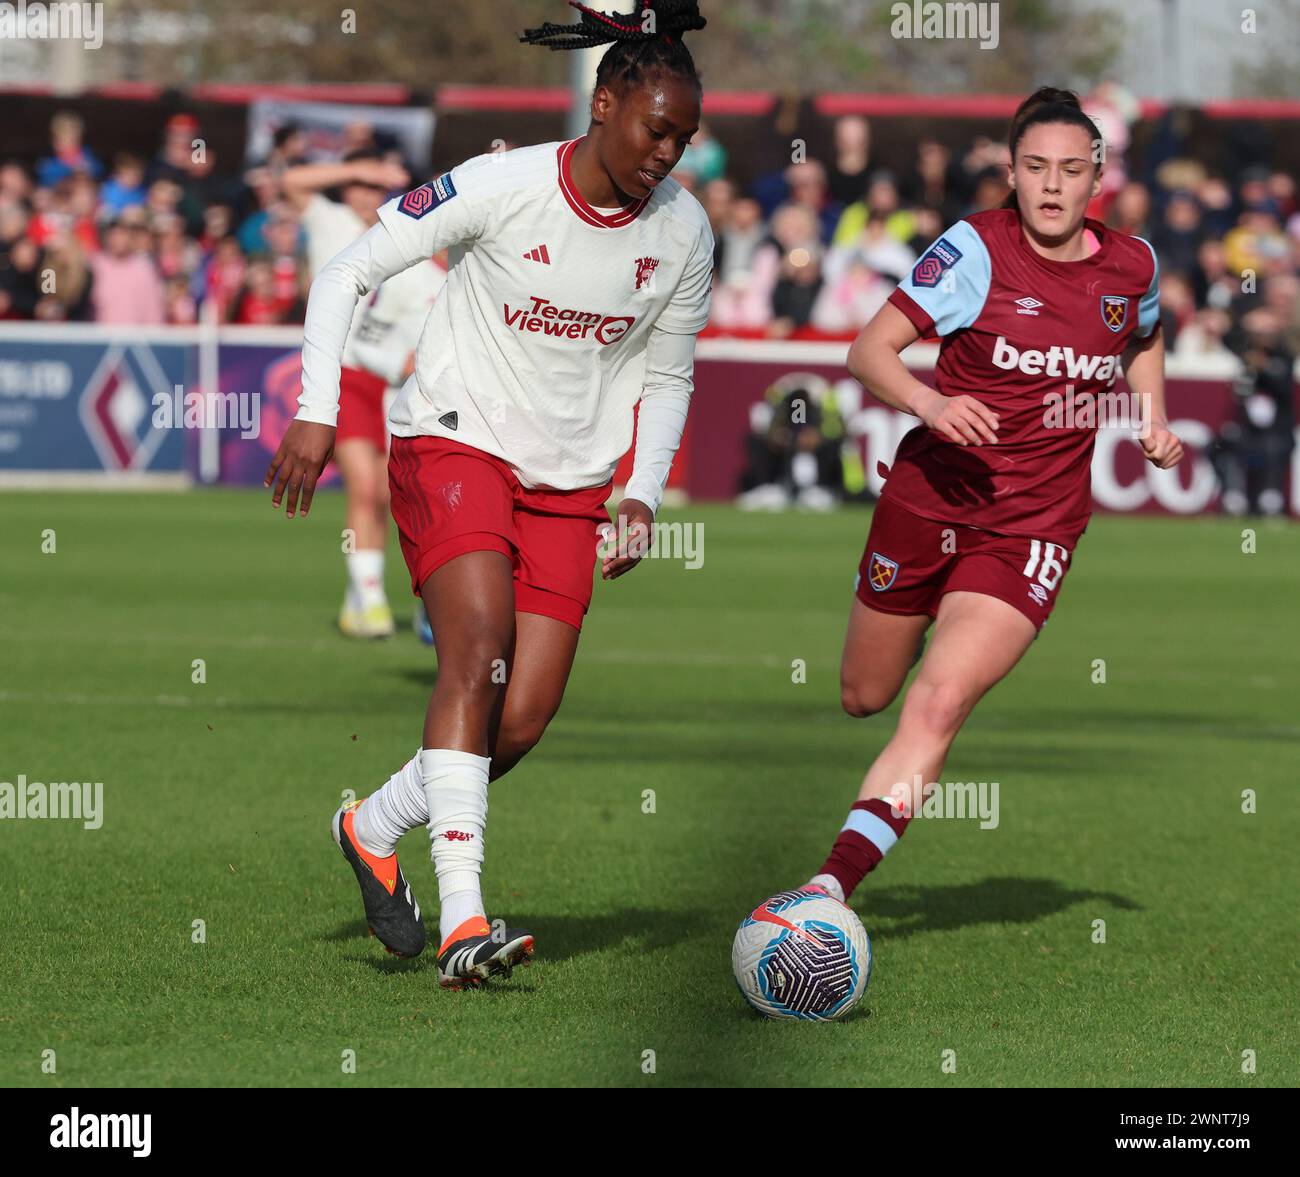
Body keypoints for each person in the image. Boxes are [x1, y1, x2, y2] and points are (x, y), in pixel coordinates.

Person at [264, 0, 714, 988]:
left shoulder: (684, 233)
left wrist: (640, 492)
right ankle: (465, 921)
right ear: (604, 104)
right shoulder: (503, 184)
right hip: (453, 443)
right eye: (655, 127)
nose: (668, 153)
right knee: (477, 652)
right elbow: (346, 271)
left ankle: (371, 825)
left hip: (572, 489)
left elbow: (670, 377)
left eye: (684, 137)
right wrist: (315, 408)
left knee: (518, 721)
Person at [795, 88, 1184, 910]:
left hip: (1030, 529)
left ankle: (829, 889)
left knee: (938, 701)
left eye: (1070, 170)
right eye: (1036, 167)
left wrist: (1152, 412)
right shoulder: (975, 249)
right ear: (1010, 171)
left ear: (1097, 177)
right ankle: (928, 615)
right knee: (865, 695)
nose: (1051, 185)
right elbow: (871, 351)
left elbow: (1143, 333)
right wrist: (932, 404)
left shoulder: (1133, 265)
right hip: (930, 496)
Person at [281, 150, 415, 638]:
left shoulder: (401, 227)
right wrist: (361, 169)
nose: (369, 194)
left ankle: (360, 593)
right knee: (364, 485)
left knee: (384, 493)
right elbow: (292, 179)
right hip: (339, 369)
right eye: (362, 185)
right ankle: (373, 600)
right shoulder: (329, 218)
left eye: (378, 188)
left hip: (391, 375)